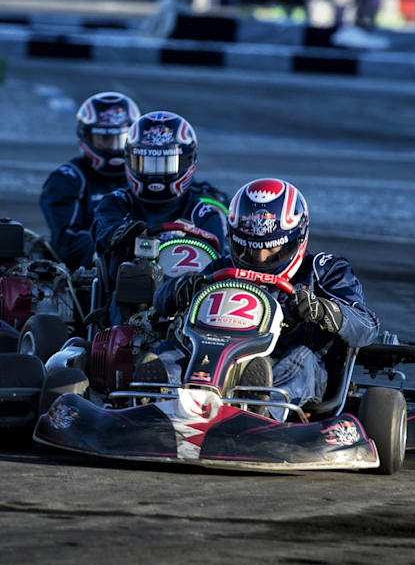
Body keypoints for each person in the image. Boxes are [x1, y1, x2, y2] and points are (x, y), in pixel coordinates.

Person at [155, 178, 380, 420]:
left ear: (297, 238)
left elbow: (367, 326)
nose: (260, 260)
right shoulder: (221, 268)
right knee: (171, 352)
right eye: (249, 250)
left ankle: (261, 411)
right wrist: (182, 287)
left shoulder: (323, 271)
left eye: (271, 251)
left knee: (300, 358)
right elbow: (160, 301)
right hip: (219, 358)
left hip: (291, 364)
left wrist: (323, 311)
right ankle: (158, 402)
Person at [92, 110, 228, 280]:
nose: (157, 174)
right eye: (148, 164)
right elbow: (102, 236)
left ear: (186, 162)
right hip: (126, 298)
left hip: (183, 299)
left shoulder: (203, 215)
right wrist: (121, 234)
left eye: (166, 163)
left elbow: (215, 270)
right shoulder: (115, 203)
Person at [39, 91, 139, 269]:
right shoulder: (68, 179)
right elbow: (68, 244)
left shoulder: (143, 176)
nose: (115, 148)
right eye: (106, 140)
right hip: (92, 273)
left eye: (121, 139)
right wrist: (121, 247)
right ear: (85, 137)